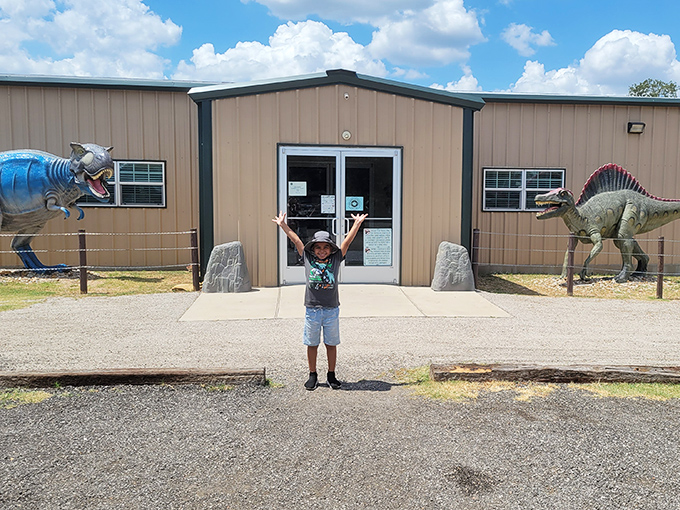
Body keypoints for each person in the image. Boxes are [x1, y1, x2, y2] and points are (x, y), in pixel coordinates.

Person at [273, 211, 368, 390]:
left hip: (331, 309)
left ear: (331, 249)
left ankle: (331, 375)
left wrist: (357, 224)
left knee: (331, 343)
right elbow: (296, 241)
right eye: (318, 247)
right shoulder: (307, 258)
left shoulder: (336, 258)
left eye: (325, 247)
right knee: (312, 343)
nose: (322, 251)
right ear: (313, 249)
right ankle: (312, 374)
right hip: (312, 309)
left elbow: (346, 242)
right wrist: (283, 225)